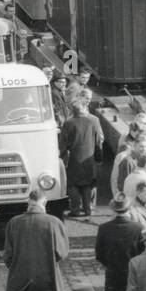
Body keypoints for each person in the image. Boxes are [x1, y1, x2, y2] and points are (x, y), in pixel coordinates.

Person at [94, 195, 142, 291]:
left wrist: (111, 265)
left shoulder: (104, 228)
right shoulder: (138, 228)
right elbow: (142, 254)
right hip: (132, 275)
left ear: (113, 210)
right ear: (129, 209)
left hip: (113, 274)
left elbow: (99, 254)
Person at [58, 88, 101, 219]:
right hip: (89, 158)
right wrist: (98, 158)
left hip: (73, 158)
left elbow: (63, 144)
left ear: (73, 110)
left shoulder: (68, 123)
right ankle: (88, 209)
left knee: (73, 185)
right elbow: (98, 141)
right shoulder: (92, 122)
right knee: (87, 184)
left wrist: (61, 157)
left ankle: (75, 209)